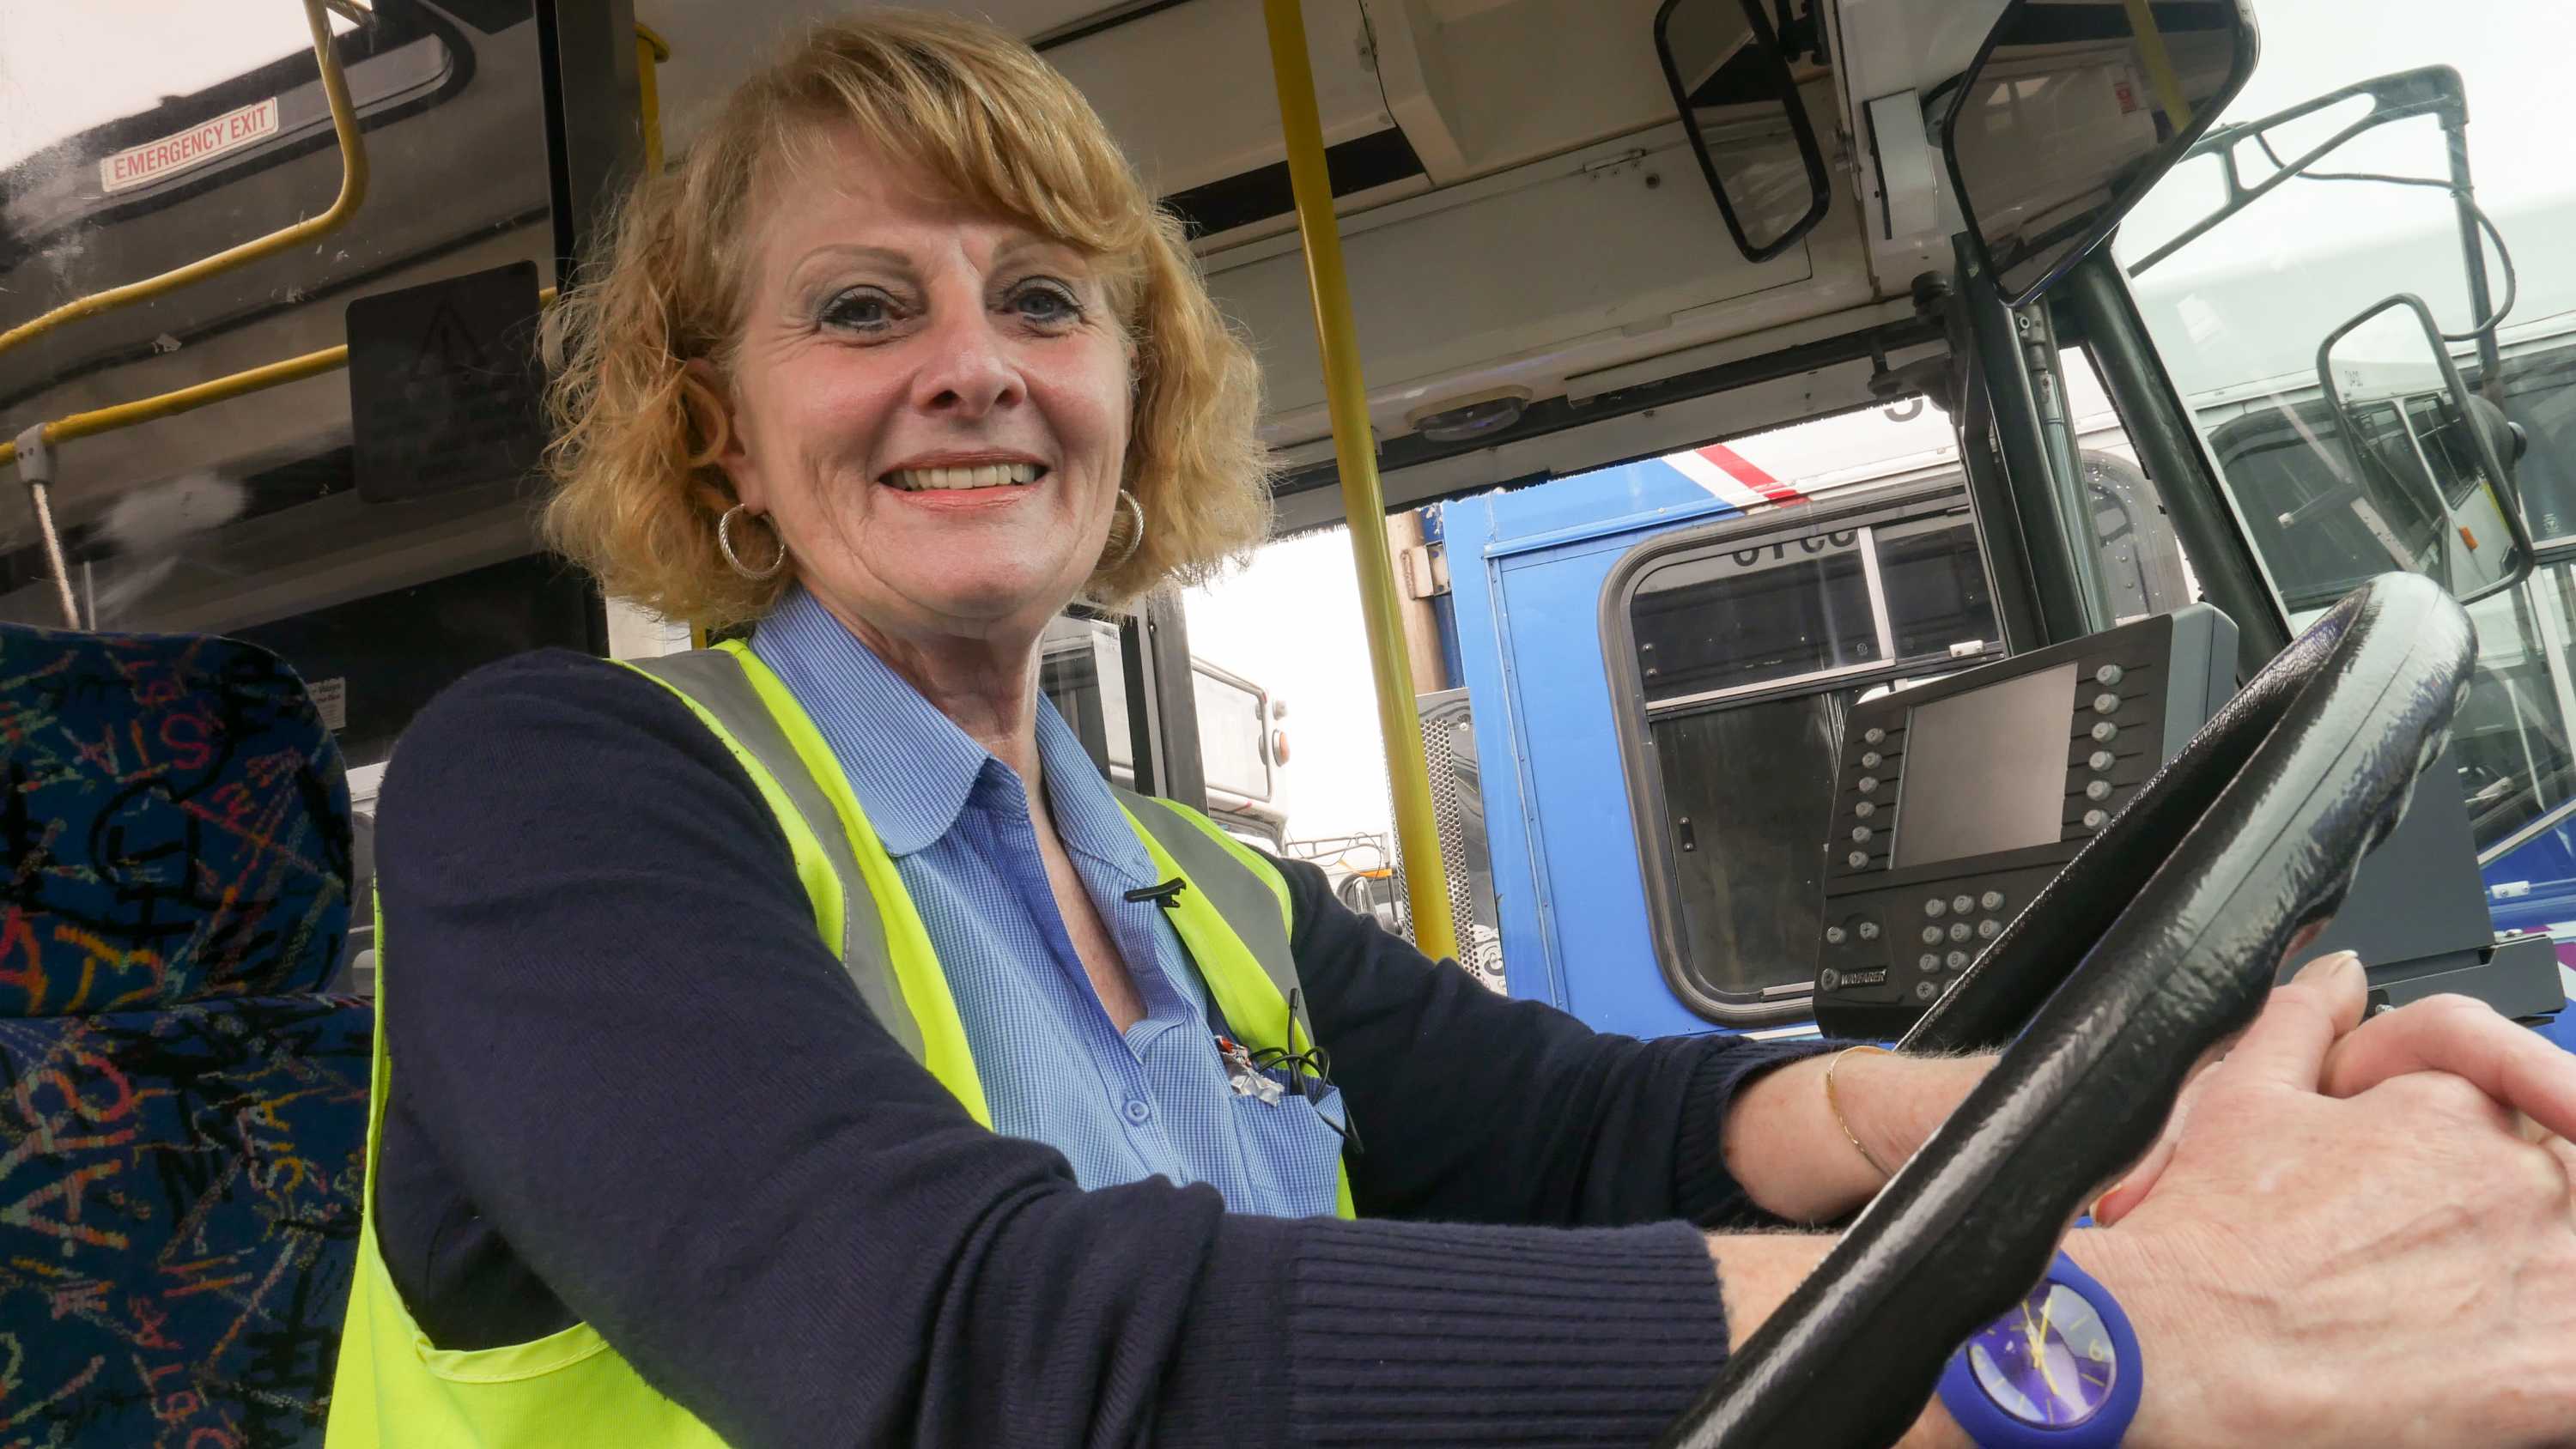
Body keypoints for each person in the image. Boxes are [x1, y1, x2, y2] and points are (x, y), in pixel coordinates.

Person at [325, 11, 2576, 1447]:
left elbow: (1595, 1129)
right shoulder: (561, 798)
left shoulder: (1197, 890)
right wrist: (2124, 1331)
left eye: (1042, 298)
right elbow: (977, 1353)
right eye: (859, 309)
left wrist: (2089, 1131)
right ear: (717, 439)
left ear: (1131, 394)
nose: (973, 364)